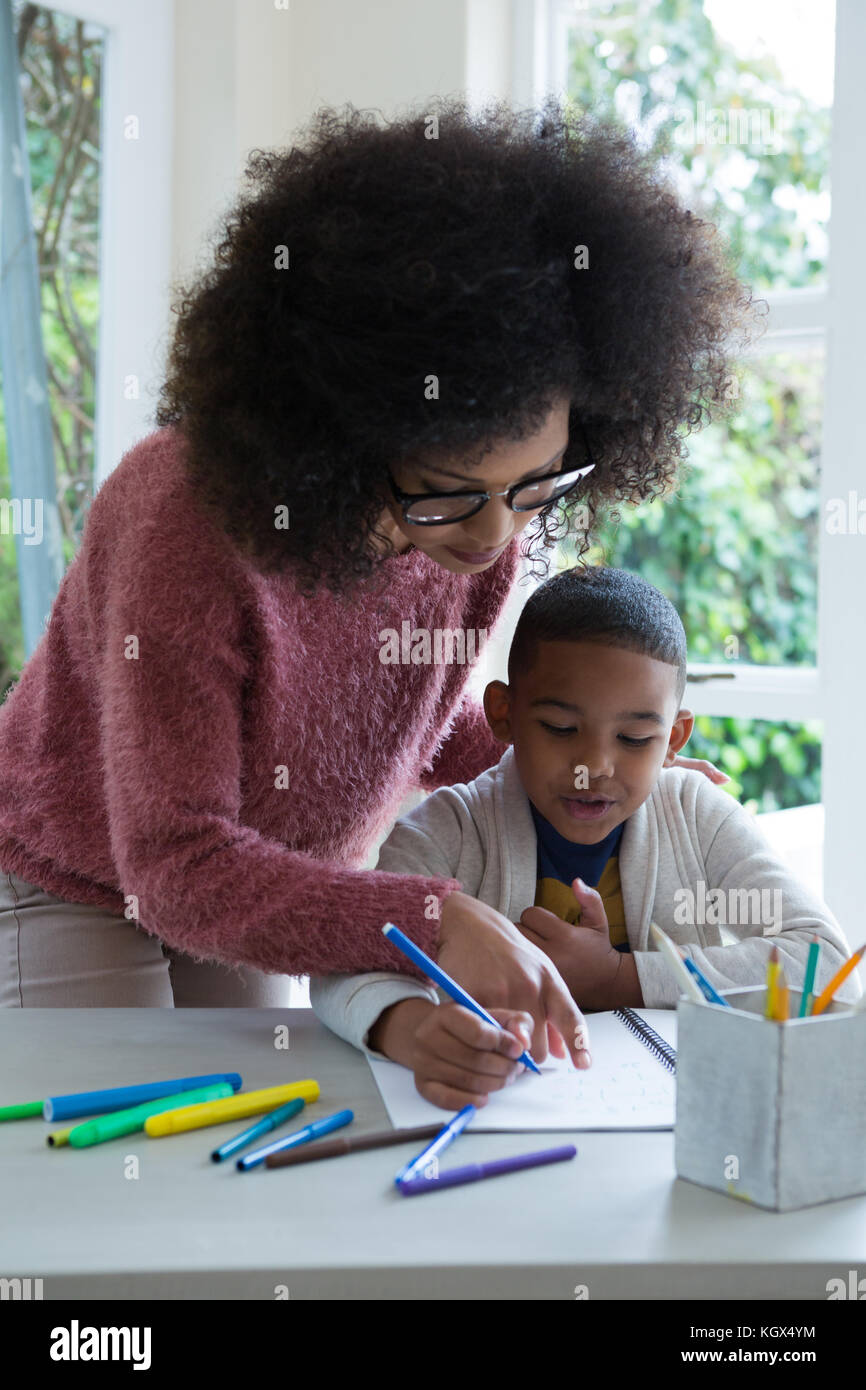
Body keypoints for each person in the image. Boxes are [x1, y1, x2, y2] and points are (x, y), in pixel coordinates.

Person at [0, 97, 753, 1023]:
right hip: (79, 875)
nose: (494, 538)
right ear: (347, 429)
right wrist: (438, 918)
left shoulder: (478, 531)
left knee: (264, 1120)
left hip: (255, 876)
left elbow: (406, 730)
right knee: (115, 1148)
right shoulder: (186, 521)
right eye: (451, 489)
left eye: (534, 485)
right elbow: (178, 865)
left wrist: (588, 749)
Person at [310, 567, 860, 1111]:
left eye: (634, 738)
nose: (594, 767)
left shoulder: (698, 815)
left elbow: (827, 964)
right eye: (560, 729)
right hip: (503, 1118)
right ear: (504, 713)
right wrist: (413, 1028)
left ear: (674, 739)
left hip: (666, 1138)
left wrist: (621, 979)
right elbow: (344, 961)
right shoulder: (450, 829)